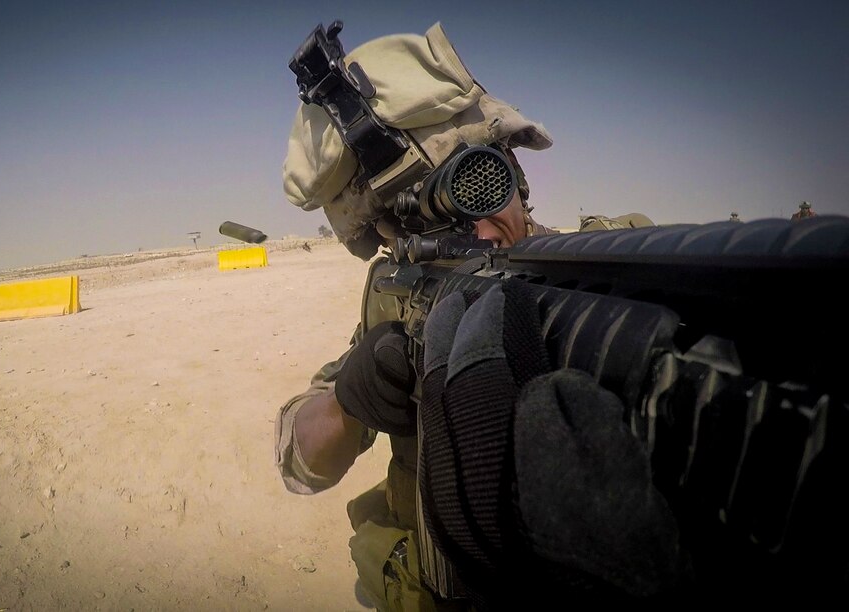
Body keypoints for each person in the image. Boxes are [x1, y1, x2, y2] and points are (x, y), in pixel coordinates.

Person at [276, 22, 669, 611]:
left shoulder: (620, 273)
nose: (476, 233)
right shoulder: (398, 304)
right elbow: (298, 465)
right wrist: (348, 400)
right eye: (415, 222)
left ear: (512, 164)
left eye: (480, 183)